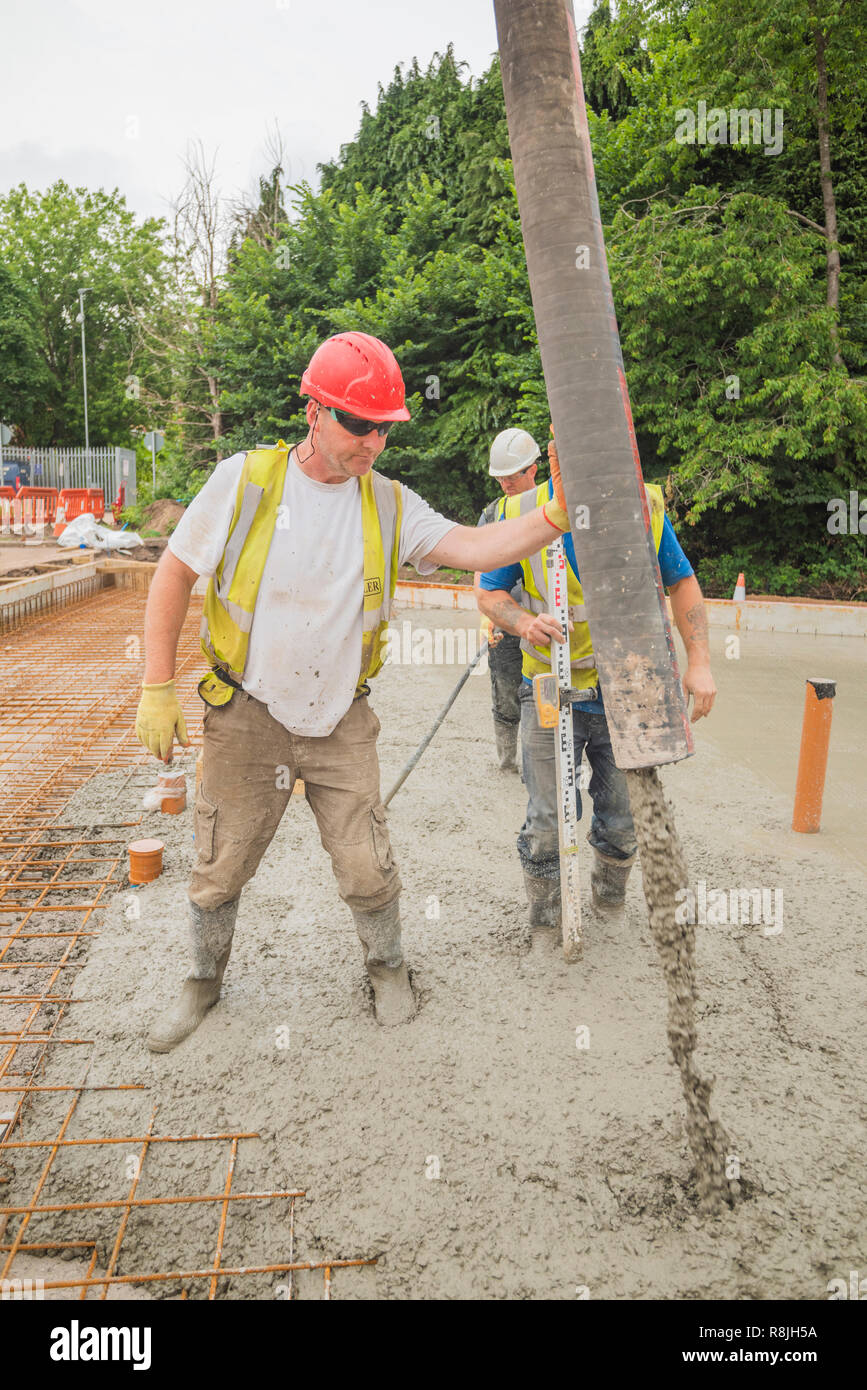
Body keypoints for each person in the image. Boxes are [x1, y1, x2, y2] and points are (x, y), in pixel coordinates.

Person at [134, 331, 572, 1048]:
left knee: (366, 861)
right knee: (222, 860)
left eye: (383, 429)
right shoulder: (246, 482)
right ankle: (202, 981)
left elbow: (473, 546)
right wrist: (156, 684)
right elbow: (174, 572)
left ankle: (388, 965)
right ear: (313, 411)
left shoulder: (388, 504)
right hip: (248, 713)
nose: (371, 442)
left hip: (341, 718)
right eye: (356, 423)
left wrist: (551, 518)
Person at [476, 435, 716, 930]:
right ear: (556, 462)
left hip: (626, 692)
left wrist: (700, 662)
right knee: (546, 819)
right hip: (546, 685)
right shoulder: (525, 511)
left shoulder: (643, 507)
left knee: (624, 819)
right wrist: (520, 622)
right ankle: (544, 918)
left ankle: (608, 907)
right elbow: (491, 590)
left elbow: (681, 581)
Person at [473, 429, 541, 772]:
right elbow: (480, 568)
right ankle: (507, 763)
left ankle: (541, 764)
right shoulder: (494, 513)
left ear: (533, 470)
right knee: (504, 693)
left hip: (546, 626)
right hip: (504, 623)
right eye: (500, 478)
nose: (505, 485)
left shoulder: (551, 511)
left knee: (546, 698)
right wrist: (488, 617)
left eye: (511, 477)